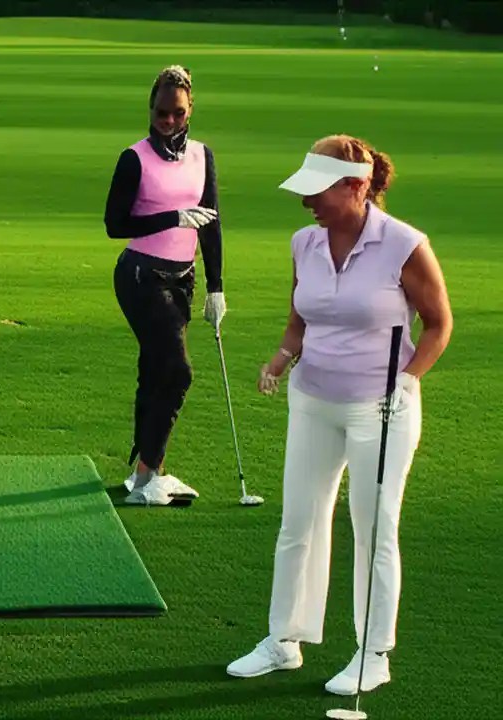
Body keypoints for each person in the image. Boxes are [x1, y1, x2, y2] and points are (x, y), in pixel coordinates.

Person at [226, 135, 451, 695]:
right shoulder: (304, 242)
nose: (307, 203)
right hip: (312, 400)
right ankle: (284, 639)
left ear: (355, 187)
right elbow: (299, 320)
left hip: (380, 407)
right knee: (298, 522)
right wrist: (280, 360)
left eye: (317, 191)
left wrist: (407, 381)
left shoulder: (404, 245)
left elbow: (438, 324)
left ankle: (373, 654)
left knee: (374, 528)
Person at [104, 65, 226, 505]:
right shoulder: (134, 158)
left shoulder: (202, 156)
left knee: (155, 369)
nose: (169, 121)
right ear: (150, 109)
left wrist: (216, 287)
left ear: (191, 109)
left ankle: (141, 476)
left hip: (183, 279)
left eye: (178, 113)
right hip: (140, 276)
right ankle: (148, 474)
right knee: (177, 371)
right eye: (161, 113)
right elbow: (115, 225)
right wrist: (172, 217)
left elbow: (211, 225)